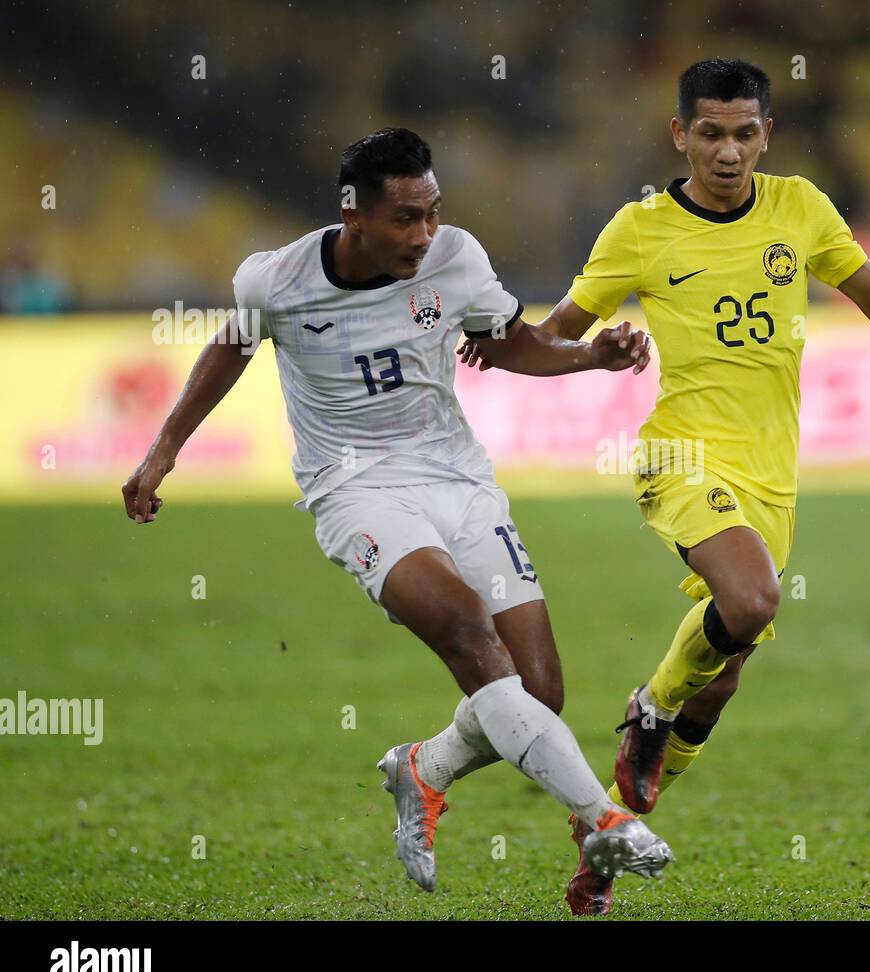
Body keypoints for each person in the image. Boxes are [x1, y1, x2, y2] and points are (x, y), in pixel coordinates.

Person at [461, 59, 870, 916]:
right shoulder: (640, 230)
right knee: (752, 599)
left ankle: (607, 836)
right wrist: (533, 347)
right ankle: (648, 710)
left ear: (769, 134)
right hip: (680, 457)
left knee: (720, 676)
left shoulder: (800, 208)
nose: (729, 152)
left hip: (770, 479)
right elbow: (551, 340)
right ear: (679, 135)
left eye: (746, 133)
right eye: (712, 133)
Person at [122, 127, 672, 896]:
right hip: (355, 491)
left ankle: (425, 766)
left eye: (432, 212)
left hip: (458, 479)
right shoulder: (274, 281)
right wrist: (164, 449)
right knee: (464, 627)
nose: (424, 235)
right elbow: (230, 348)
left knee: (539, 689)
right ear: (353, 216)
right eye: (405, 218)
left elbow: (511, 342)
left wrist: (592, 355)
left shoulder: (457, 259)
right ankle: (602, 820)